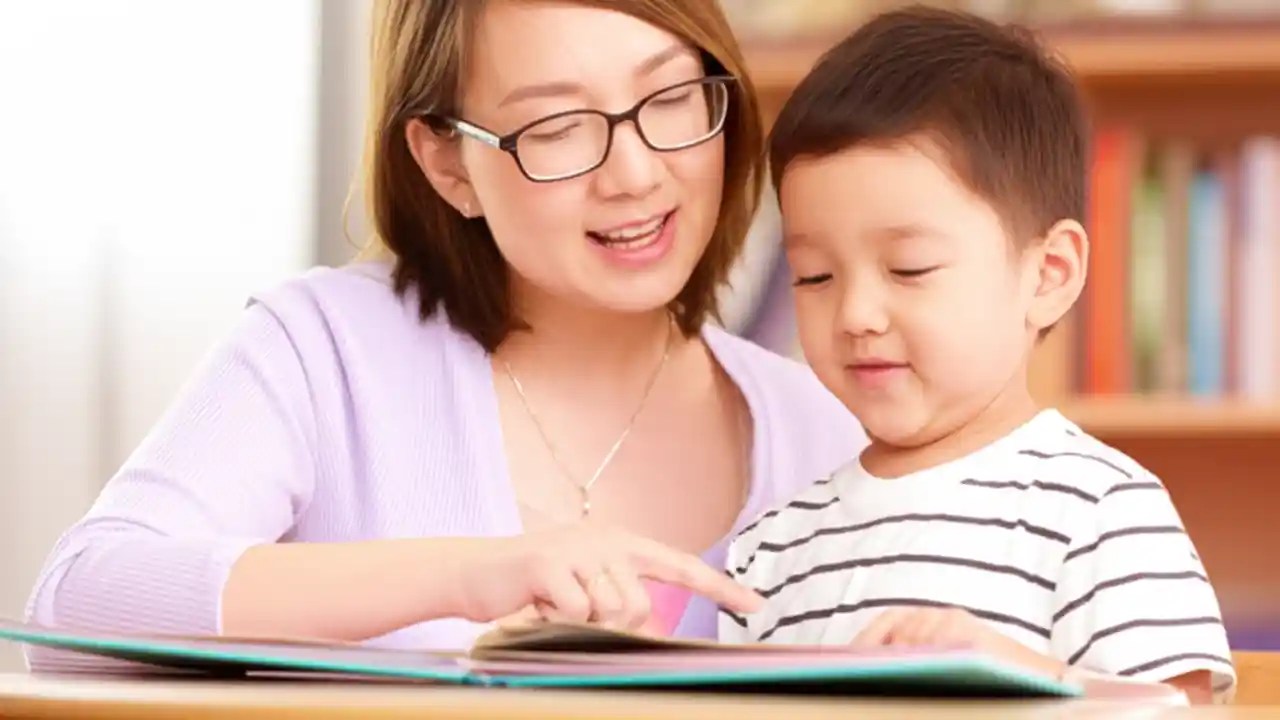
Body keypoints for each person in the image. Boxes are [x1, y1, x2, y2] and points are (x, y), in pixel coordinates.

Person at [23, 0, 865, 671]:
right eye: (558, 127)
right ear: (447, 164)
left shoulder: (823, 424)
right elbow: (78, 602)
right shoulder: (325, 351)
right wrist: (464, 575)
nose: (636, 173)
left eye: (673, 98)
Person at [719, 6, 1234, 704]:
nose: (856, 315)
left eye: (909, 269)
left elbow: (1178, 713)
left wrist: (1023, 674)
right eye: (815, 276)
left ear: (1048, 274)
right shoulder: (772, 548)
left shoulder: (1101, 510)